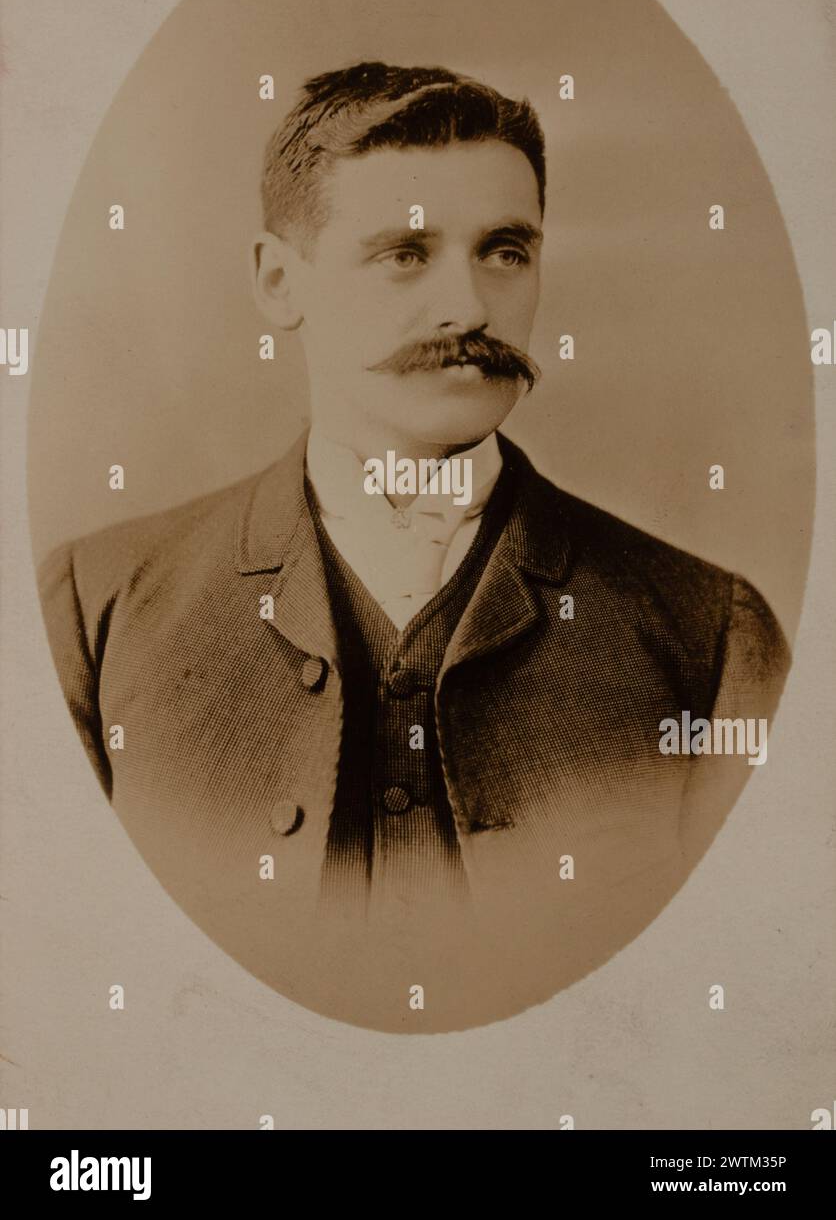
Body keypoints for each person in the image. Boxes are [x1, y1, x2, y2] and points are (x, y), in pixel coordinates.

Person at [37, 62, 791, 1021]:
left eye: (506, 252)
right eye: (406, 253)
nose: (469, 309)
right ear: (279, 282)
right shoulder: (96, 609)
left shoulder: (710, 634)